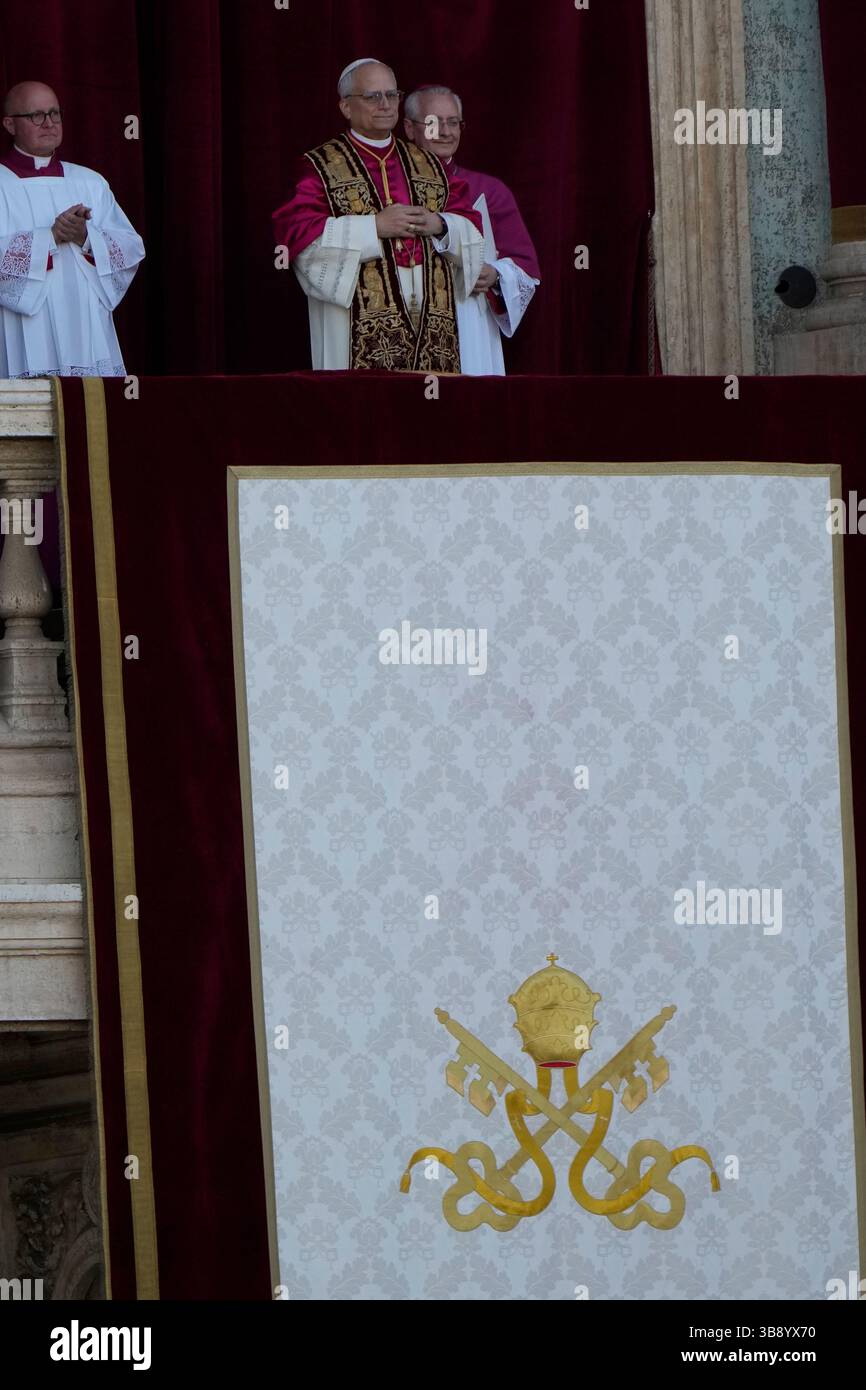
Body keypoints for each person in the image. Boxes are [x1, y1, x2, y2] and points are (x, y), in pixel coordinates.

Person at [273, 59, 485, 374]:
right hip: (354, 325)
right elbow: (299, 237)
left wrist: (439, 224)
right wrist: (373, 227)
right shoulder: (321, 165)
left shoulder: (429, 163)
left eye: (392, 95)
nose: (385, 105)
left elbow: (472, 228)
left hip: (431, 322)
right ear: (346, 107)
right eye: (373, 96)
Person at [0, 81, 144, 378]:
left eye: (55, 113)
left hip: (86, 327)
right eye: (36, 115)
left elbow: (131, 249)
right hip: (20, 330)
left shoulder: (89, 182)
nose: (49, 123)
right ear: (10, 124)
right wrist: (48, 238)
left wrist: (87, 237)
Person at [404, 85, 540, 375]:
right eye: (433, 122)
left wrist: (494, 275)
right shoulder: (388, 186)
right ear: (409, 128)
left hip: (469, 325)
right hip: (406, 322)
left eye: (453, 122)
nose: (445, 131)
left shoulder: (488, 191)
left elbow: (525, 268)